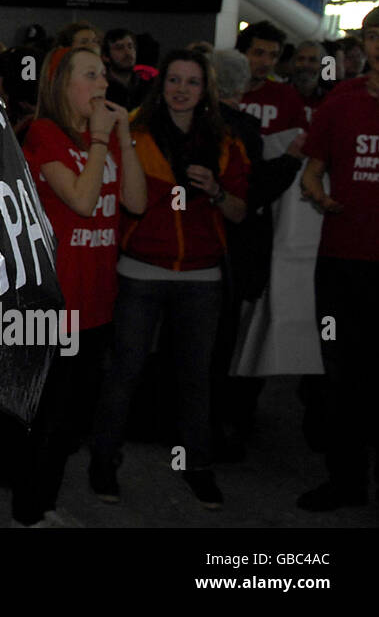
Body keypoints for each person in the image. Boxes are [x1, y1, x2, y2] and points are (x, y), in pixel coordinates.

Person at [91, 49, 249, 509]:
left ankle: (196, 466)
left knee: (195, 379)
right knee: (124, 373)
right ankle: (104, 461)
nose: (181, 90)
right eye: (174, 81)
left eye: (192, 82)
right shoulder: (134, 135)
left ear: (206, 92)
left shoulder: (225, 142)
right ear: (161, 87)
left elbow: (240, 212)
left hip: (202, 277)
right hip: (140, 272)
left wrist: (216, 191)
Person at [12, 46, 145, 527]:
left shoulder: (104, 138)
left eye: (104, 76)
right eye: (91, 76)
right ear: (61, 85)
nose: (104, 85)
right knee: (46, 420)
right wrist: (98, 141)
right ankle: (27, 513)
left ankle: (42, 504)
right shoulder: (45, 133)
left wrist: (122, 139)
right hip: (55, 304)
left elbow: (135, 201)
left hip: (97, 303)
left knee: (69, 421)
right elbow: (84, 202)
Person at [296, 7, 379, 510]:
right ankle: (346, 481)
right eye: (373, 36)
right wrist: (317, 193)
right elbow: (313, 169)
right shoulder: (341, 101)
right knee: (341, 374)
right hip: (343, 261)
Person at [210, 50, 302, 459]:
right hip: (236, 253)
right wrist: (289, 163)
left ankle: (210, 420)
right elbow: (250, 191)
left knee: (210, 342)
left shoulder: (209, 124)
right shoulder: (240, 127)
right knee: (229, 342)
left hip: (209, 252)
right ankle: (224, 423)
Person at [237, 20, 307, 147]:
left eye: (273, 56)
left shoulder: (287, 97)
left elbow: (300, 144)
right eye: (259, 53)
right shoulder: (222, 93)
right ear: (241, 54)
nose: (266, 62)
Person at [102, 28, 150, 110]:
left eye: (130, 46)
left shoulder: (146, 84)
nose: (127, 52)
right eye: (119, 48)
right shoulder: (101, 87)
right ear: (106, 57)